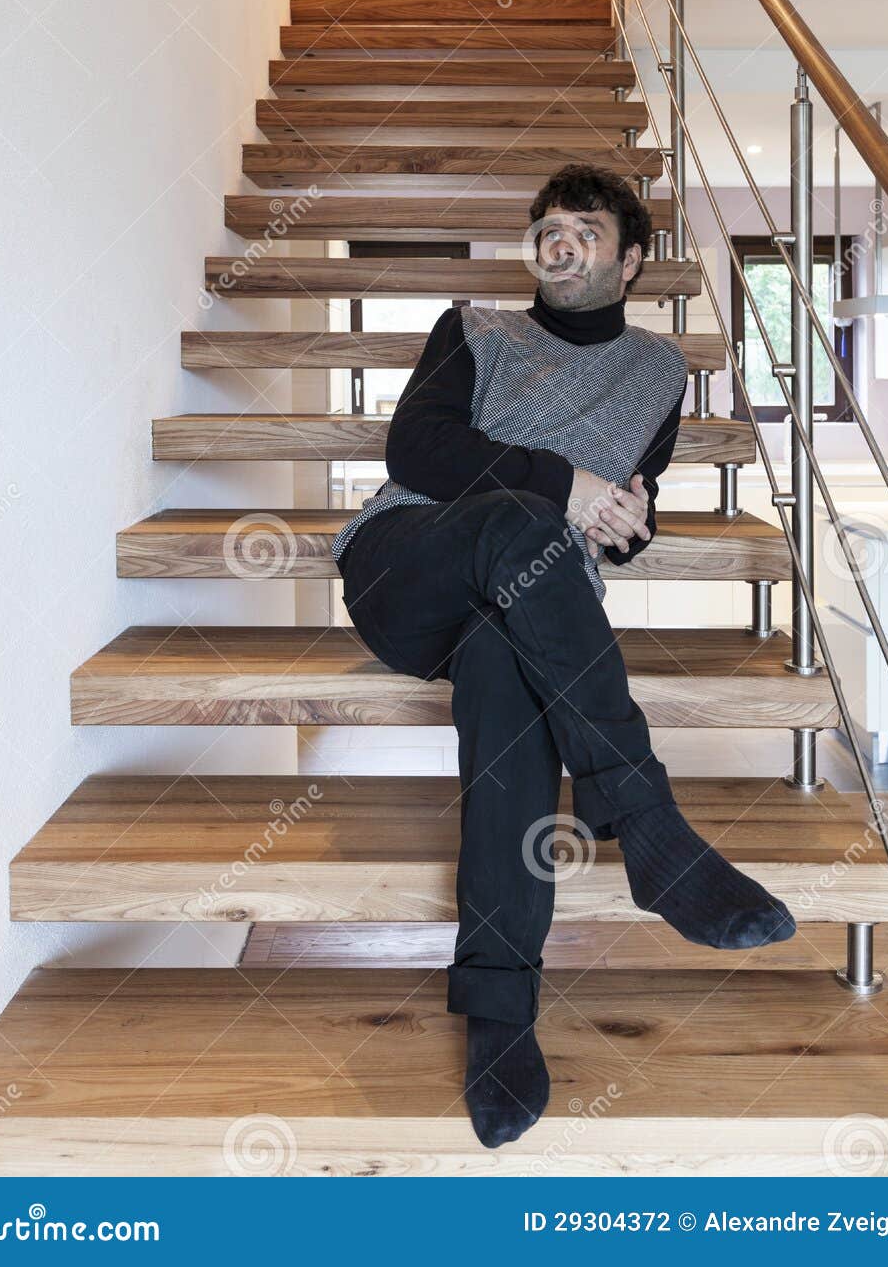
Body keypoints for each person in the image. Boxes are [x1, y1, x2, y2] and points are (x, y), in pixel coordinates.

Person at [333, 163, 795, 1149]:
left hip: (525, 592)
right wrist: (557, 484)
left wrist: (624, 523)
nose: (557, 239)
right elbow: (414, 452)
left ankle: (500, 1015)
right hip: (409, 564)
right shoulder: (474, 329)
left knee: (505, 677)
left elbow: (629, 497)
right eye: (546, 226)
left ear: (629, 260)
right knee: (518, 516)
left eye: (582, 228)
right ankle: (650, 828)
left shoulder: (660, 373)